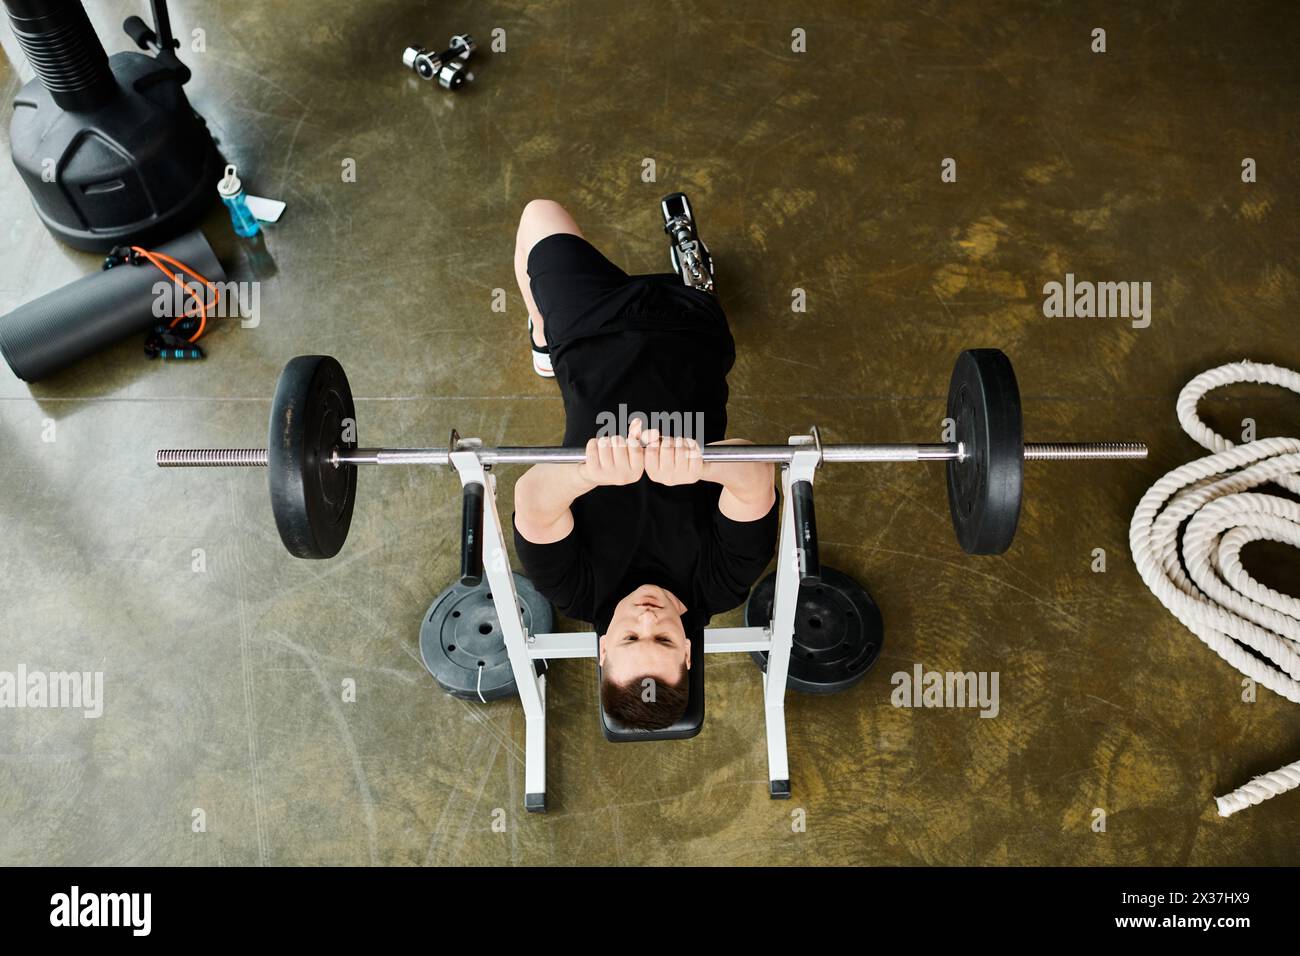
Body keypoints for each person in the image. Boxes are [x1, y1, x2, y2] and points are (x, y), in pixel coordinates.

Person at [510, 198, 779, 731]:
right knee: (697, 293)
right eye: (663, 638)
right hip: (689, 332)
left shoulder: (576, 589)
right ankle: (693, 277)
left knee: (539, 215)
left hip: (590, 335)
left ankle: (542, 334)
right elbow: (757, 478)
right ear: (687, 654)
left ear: (603, 647)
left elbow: (532, 502)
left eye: (631, 636)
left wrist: (588, 473)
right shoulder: (719, 584)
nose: (649, 619)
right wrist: (701, 465)